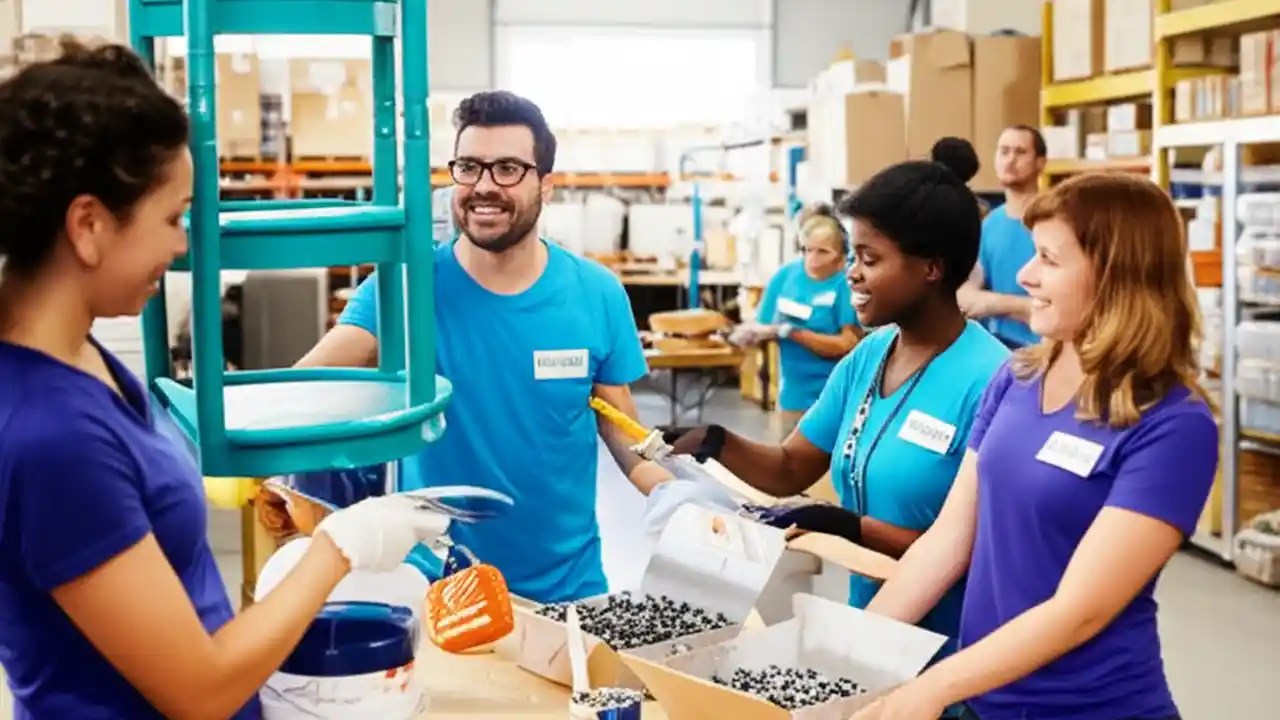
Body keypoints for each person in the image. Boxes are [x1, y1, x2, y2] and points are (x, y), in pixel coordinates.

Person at [0, 40, 463, 720]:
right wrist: (338, 548)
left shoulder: (81, 357)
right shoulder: (49, 435)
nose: (183, 244)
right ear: (89, 225)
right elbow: (200, 690)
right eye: (171, 218)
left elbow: (131, 511)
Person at [853, 173, 1219, 720]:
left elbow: (1080, 610)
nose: (1025, 276)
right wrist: (849, 657)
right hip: (986, 702)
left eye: (1048, 259)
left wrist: (930, 689)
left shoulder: (1173, 425)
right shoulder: (1016, 378)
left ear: (1115, 273)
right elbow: (949, 542)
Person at [661, 138, 1009, 664]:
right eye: (852, 255)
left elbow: (979, 551)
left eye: (869, 258)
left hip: (954, 651)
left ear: (932, 268)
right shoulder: (870, 356)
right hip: (870, 632)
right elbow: (791, 465)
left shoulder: (992, 380)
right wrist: (716, 441)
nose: (852, 273)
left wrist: (852, 527)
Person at [297, 90, 650, 604]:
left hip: (568, 592)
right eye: (469, 167)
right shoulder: (406, 288)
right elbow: (307, 385)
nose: (484, 186)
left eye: (507, 168)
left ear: (545, 185)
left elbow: (621, 428)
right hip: (435, 588)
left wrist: (673, 492)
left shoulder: (597, 292)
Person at [734, 204, 862, 437]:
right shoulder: (785, 276)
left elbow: (848, 344)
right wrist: (743, 334)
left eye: (822, 252)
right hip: (792, 396)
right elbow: (762, 325)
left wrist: (793, 333)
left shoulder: (846, 283)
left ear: (841, 256)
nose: (812, 259)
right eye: (807, 250)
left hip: (835, 398)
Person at [957, 125, 1047, 350]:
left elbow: (1064, 307)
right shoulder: (989, 225)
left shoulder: (1056, 221)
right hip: (999, 352)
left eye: (1020, 152)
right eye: (1004, 151)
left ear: (1040, 162)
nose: (1010, 159)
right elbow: (966, 294)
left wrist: (994, 303)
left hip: (1044, 349)